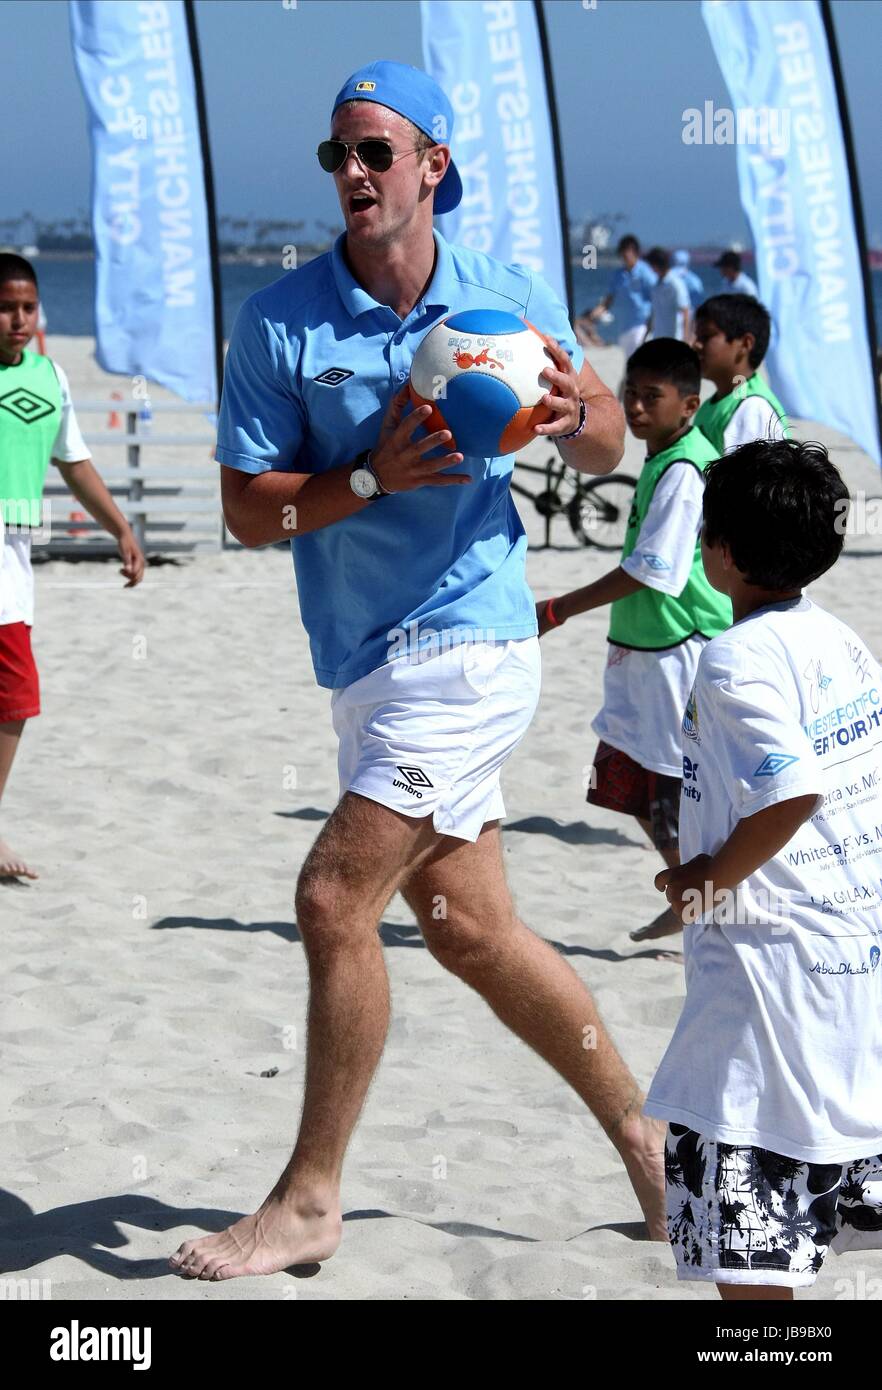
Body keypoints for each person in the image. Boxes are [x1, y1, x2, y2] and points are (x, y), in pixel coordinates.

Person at [169, 59, 667, 1282]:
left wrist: (571, 418)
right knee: (472, 932)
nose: (352, 173)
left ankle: (309, 1199)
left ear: (432, 167)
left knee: (334, 899)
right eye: (337, 154)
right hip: (365, 659)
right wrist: (369, 477)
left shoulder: (502, 295)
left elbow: (607, 439)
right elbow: (246, 514)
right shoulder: (281, 318)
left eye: (375, 152)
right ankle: (660, 1158)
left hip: (474, 638)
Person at [645, 438, 882, 1300]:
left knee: (747, 1264)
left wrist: (703, 874)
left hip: (765, 995)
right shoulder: (840, 640)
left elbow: (791, 791)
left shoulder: (734, 657)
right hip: (850, 981)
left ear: (720, 553)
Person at [536, 339, 731, 944]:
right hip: (643, 649)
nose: (638, 408)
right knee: (634, 782)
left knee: (672, 791)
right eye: (631, 394)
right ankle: (690, 893)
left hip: (675, 653)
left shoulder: (683, 468)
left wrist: (560, 608)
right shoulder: (662, 458)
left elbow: (654, 570)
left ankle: (701, 899)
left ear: (689, 405)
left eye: (654, 397)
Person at [0, 254, 145, 881]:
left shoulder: (49, 377)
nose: (19, 319)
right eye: (7, 307)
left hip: (14, 561)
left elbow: (75, 462)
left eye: (28, 307)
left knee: (15, 699)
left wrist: (120, 528)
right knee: (16, 692)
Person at [693, 295, 789, 454]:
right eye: (697, 337)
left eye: (706, 336)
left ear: (745, 344)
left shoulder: (752, 408)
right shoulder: (715, 404)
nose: (696, 344)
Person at [588, 233, 657, 371]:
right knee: (629, 363)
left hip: (641, 324)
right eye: (622, 253)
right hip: (625, 326)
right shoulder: (619, 274)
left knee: (640, 362)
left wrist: (653, 322)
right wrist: (599, 310)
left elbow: (656, 297)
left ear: (634, 251)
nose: (624, 257)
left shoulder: (645, 272)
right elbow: (610, 297)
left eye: (626, 252)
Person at [645, 247, 690, 343]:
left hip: (675, 337)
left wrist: (686, 338)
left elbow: (685, 311)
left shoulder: (675, 284)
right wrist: (646, 334)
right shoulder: (656, 285)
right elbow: (654, 313)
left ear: (656, 265)